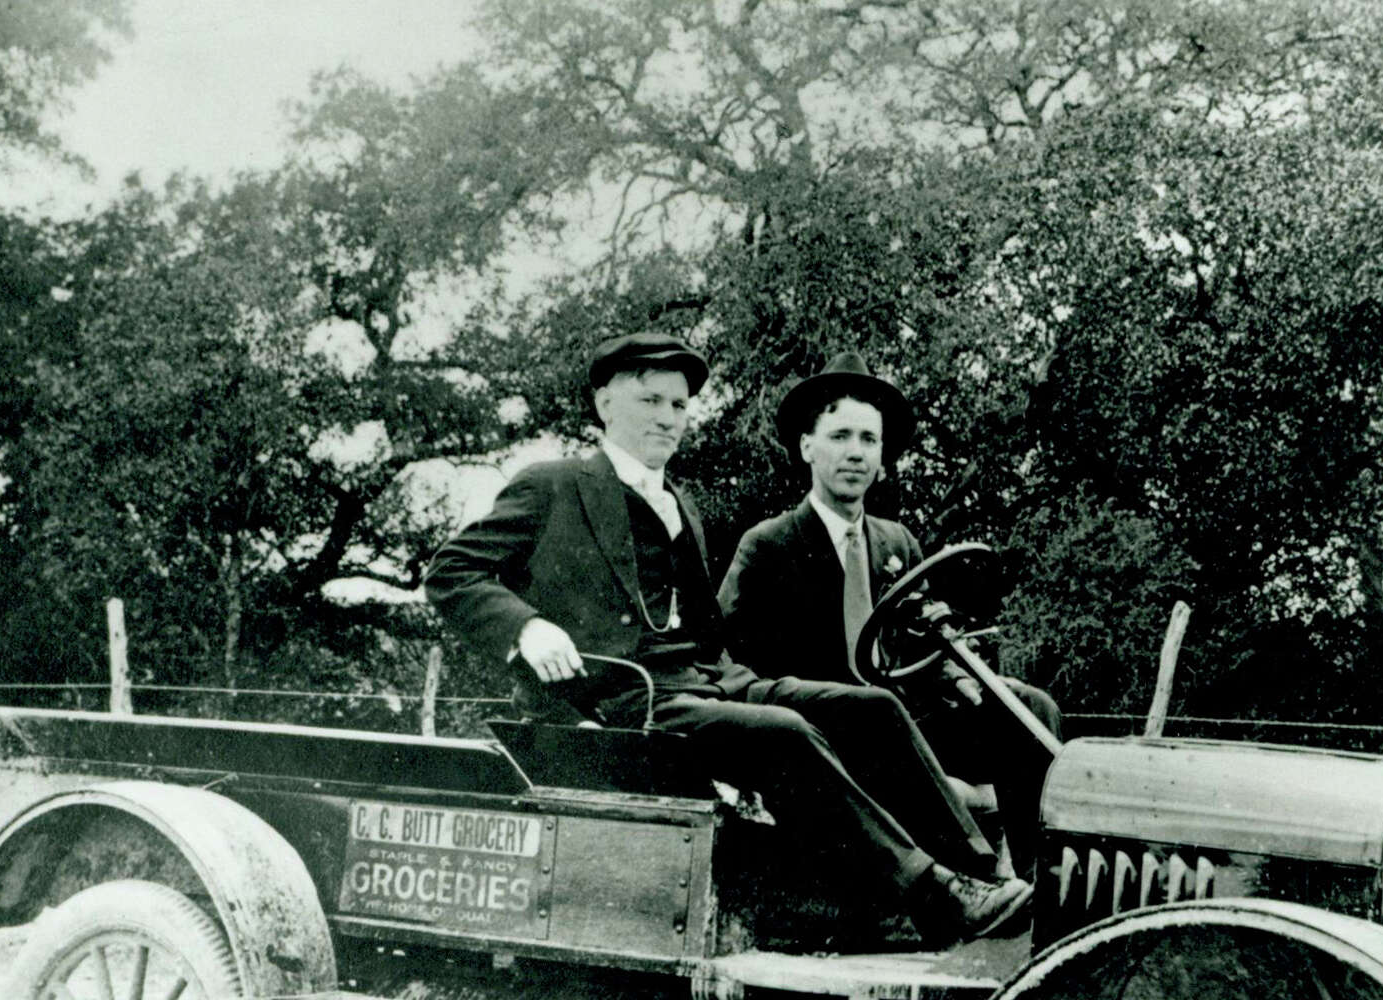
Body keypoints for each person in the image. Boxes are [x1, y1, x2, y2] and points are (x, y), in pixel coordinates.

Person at [423, 331, 1031, 943]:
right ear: (606, 404)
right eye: (650, 401)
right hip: (617, 697)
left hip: (702, 682)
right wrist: (526, 627)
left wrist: (749, 682)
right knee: (786, 735)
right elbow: (450, 572)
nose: (667, 419)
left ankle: (984, 878)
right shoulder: (553, 484)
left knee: (871, 706)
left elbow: (707, 633)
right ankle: (931, 893)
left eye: (679, 406)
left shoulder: (679, 503)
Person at [717, 352, 1062, 880]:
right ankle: (982, 877)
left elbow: (924, 643)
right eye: (840, 436)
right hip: (832, 734)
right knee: (877, 712)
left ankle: (1044, 874)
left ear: (883, 457)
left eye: (868, 440)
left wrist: (958, 677)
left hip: (904, 722)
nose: (855, 453)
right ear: (806, 447)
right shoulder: (768, 545)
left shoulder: (896, 542)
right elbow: (723, 656)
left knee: (1027, 705)